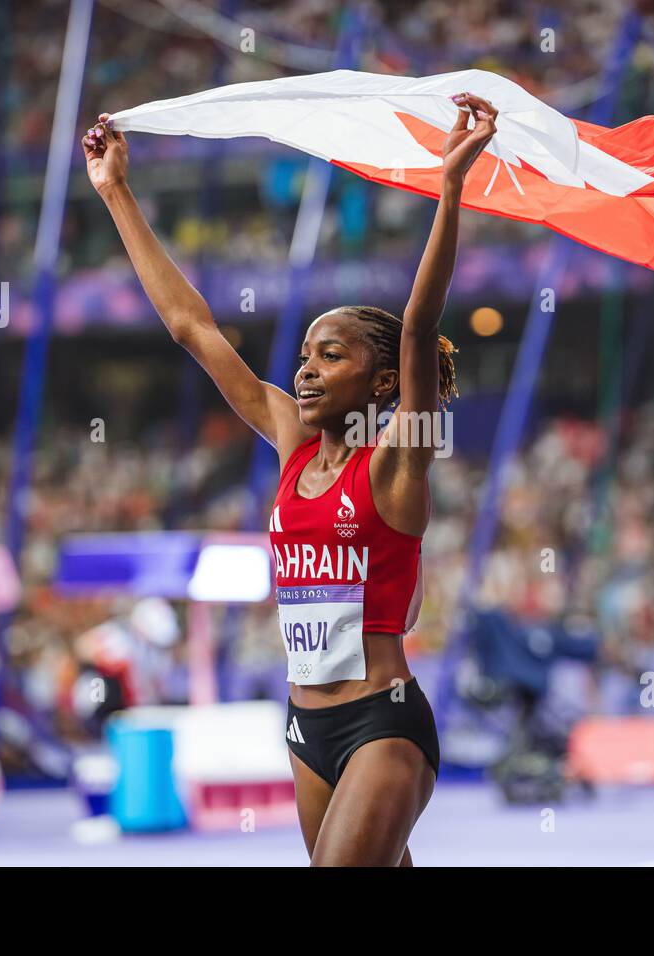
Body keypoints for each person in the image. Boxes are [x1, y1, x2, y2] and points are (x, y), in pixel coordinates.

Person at [82, 91, 499, 865]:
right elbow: (193, 327)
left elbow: (415, 327)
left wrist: (449, 188)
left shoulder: (398, 460)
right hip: (307, 728)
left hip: (383, 719)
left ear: (381, 386)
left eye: (331, 356)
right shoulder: (290, 443)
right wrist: (116, 193)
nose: (306, 370)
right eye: (306, 354)